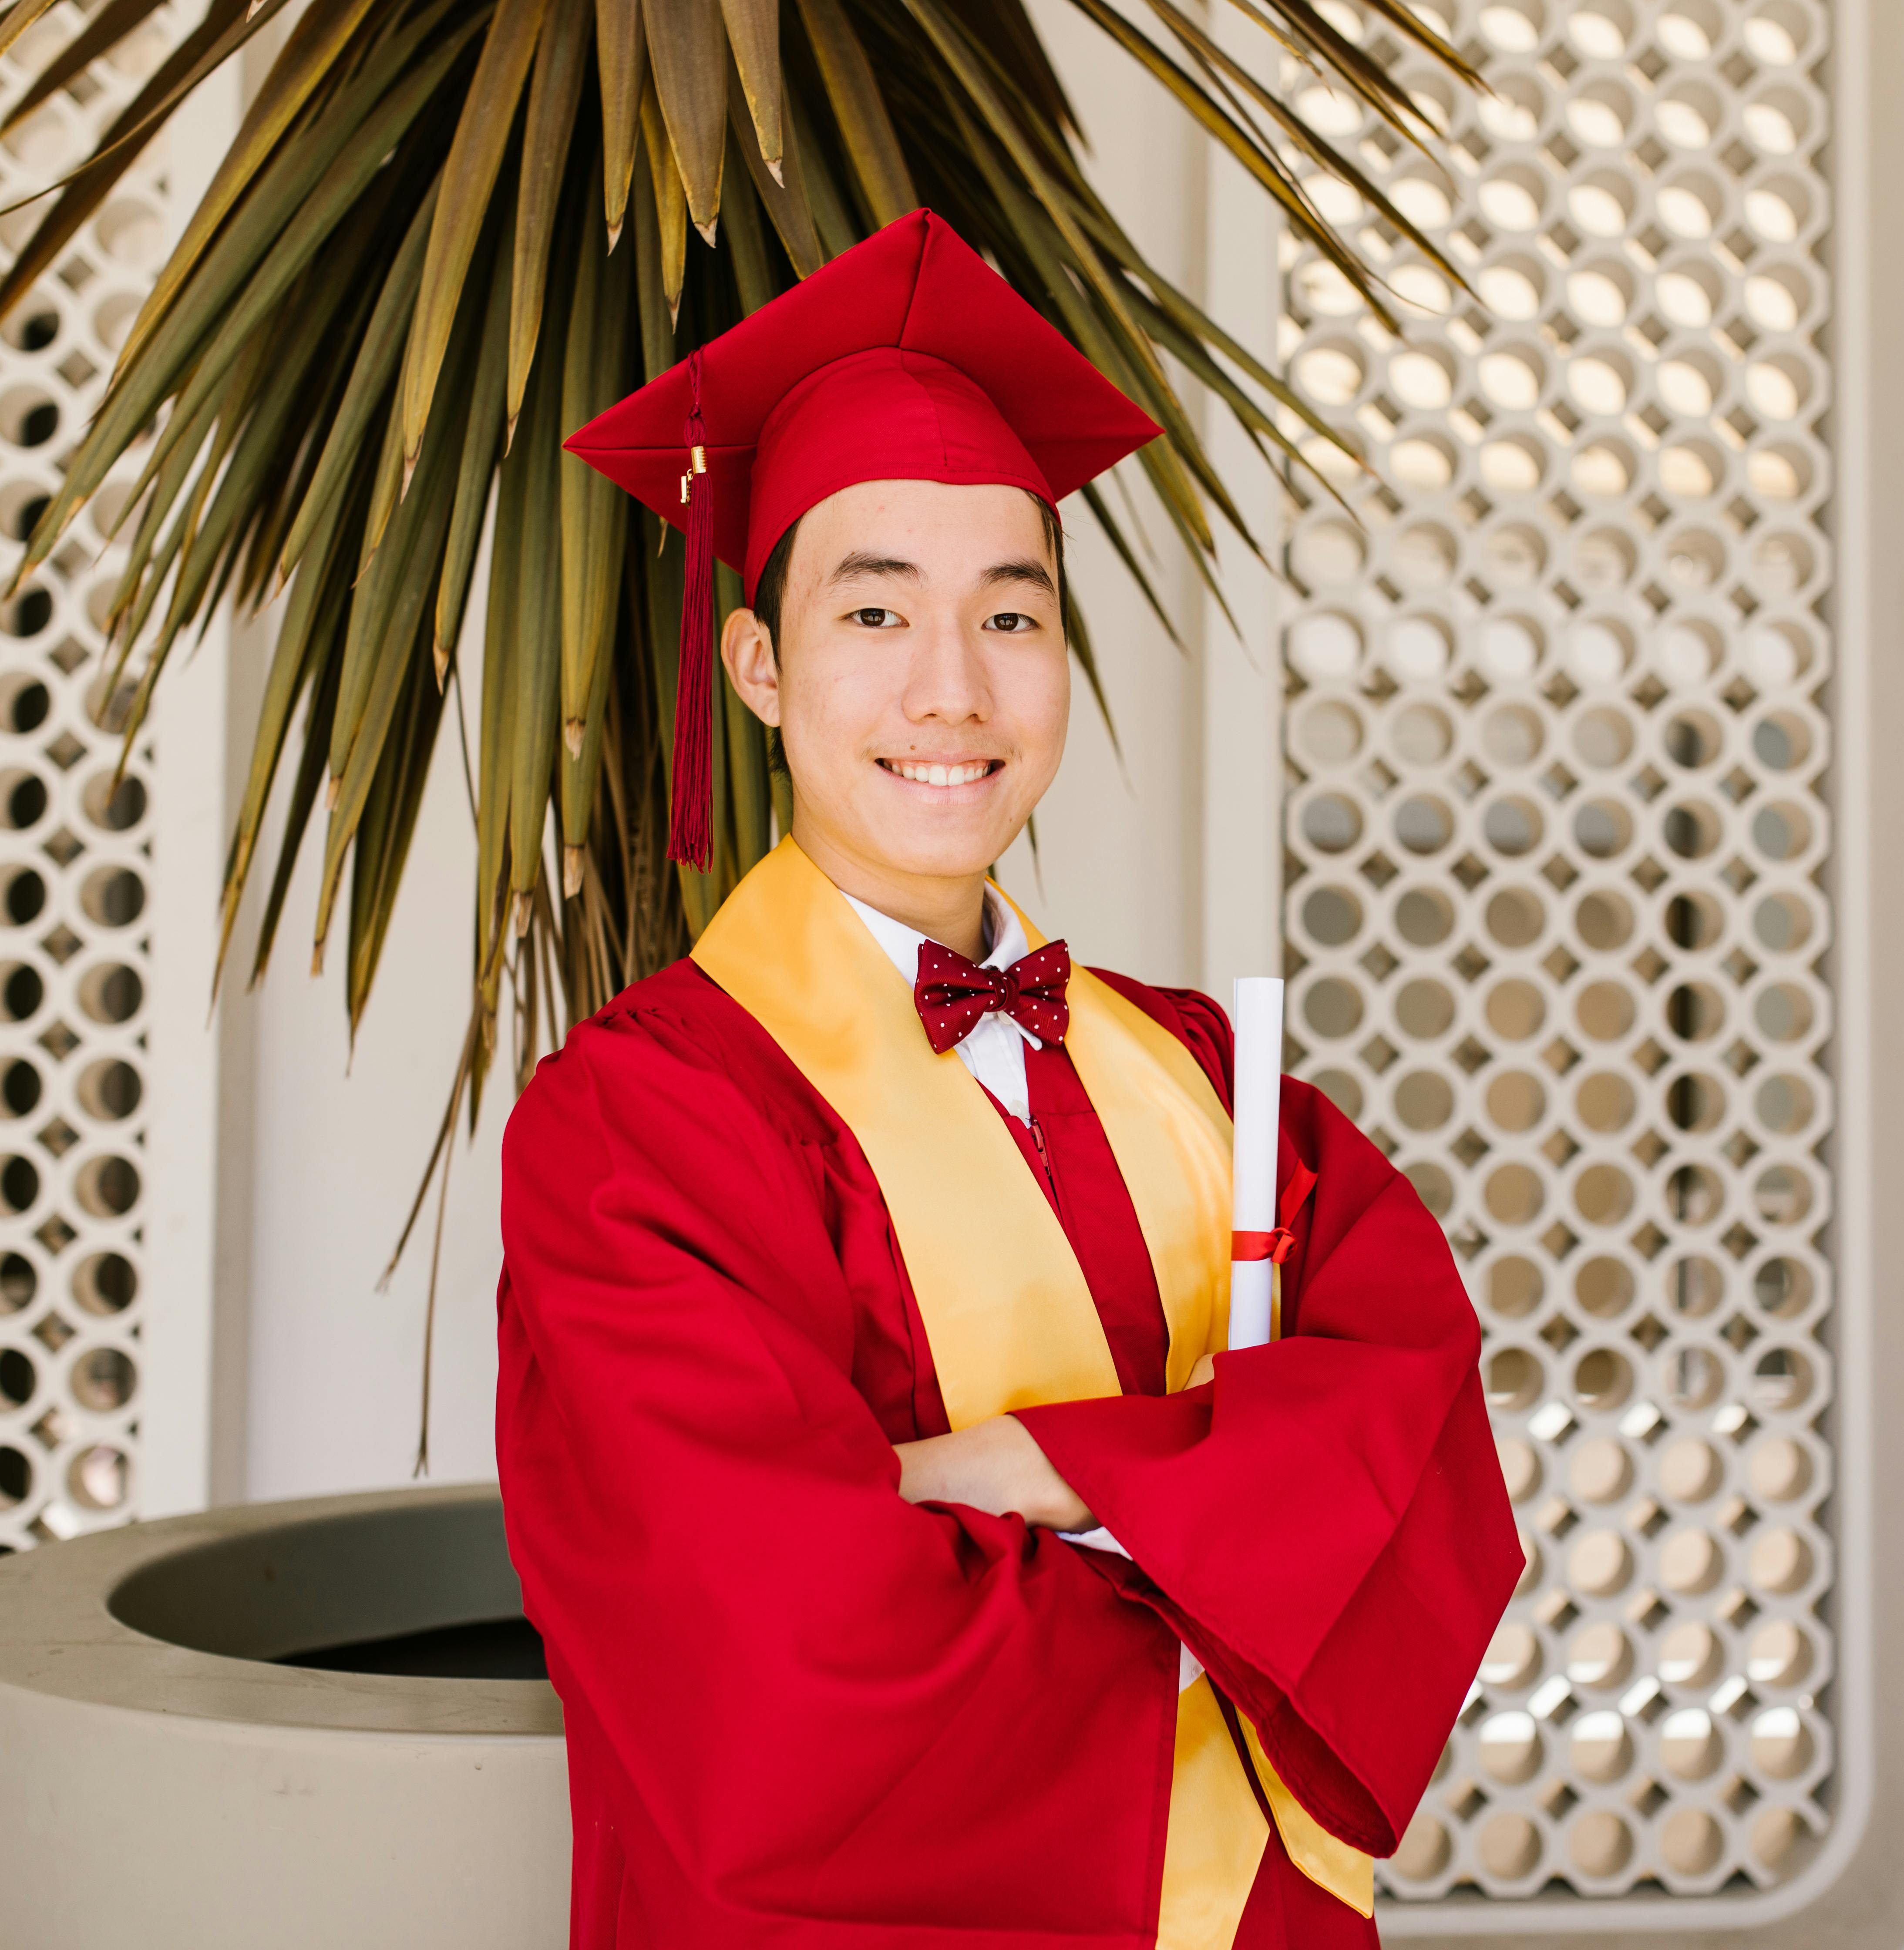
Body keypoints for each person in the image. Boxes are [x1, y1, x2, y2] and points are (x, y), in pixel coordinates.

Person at [497, 210, 1520, 1950]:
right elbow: (774, 1648)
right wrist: (1218, 1533)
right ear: (756, 666)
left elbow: (1414, 1437)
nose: (950, 688)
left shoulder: (1200, 1068)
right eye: (874, 608)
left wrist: (1039, 1471)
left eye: (1012, 615)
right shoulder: (644, 1123)